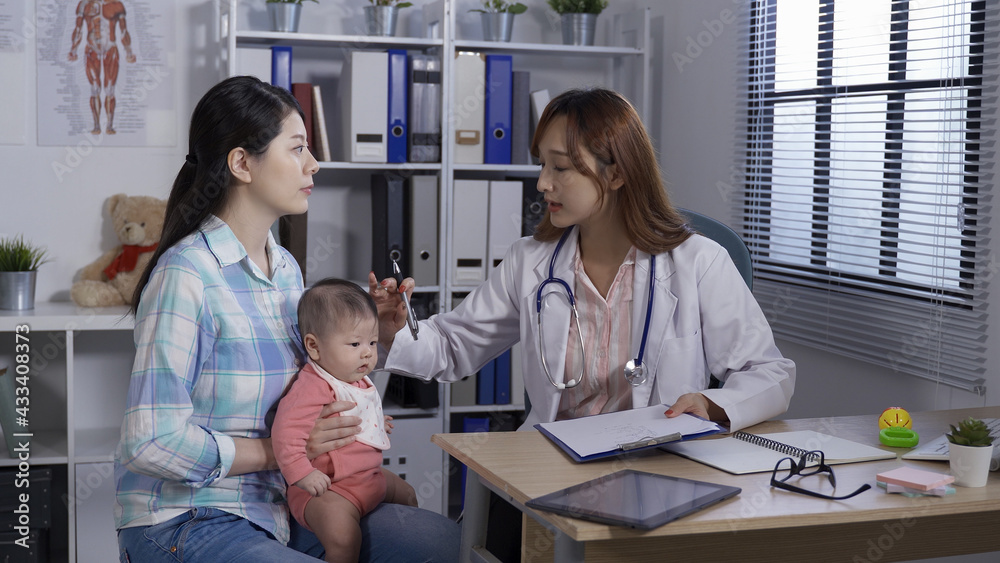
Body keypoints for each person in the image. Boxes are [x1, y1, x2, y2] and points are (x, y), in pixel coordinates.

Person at [113, 75, 459, 563]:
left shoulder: (285, 270)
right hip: (189, 517)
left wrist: (369, 334)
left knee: (443, 546)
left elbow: (315, 381)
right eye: (297, 148)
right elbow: (149, 442)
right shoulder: (186, 275)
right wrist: (279, 451)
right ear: (241, 163)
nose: (313, 163)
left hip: (283, 501)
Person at [373, 87, 795, 434]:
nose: (542, 183)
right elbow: (453, 346)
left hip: (660, 460)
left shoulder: (699, 263)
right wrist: (393, 331)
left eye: (560, 168)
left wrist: (712, 403)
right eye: (542, 164)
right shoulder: (529, 262)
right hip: (555, 463)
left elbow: (769, 372)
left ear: (616, 174)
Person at [273, 279, 419, 563]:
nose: (367, 352)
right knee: (344, 538)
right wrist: (302, 474)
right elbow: (285, 434)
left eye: (372, 342)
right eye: (355, 343)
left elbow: (355, 410)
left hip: (368, 476)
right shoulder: (313, 385)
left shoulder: (355, 379)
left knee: (409, 495)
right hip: (330, 487)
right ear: (314, 346)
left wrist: (375, 420)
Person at [68, 0, 137, 135]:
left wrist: (129, 52)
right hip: (91, 50)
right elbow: (78, 29)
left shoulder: (117, 5)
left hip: (110, 49)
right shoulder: (84, 4)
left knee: (109, 89)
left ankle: (109, 125)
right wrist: (73, 50)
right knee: (95, 88)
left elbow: (123, 31)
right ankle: (96, 126)